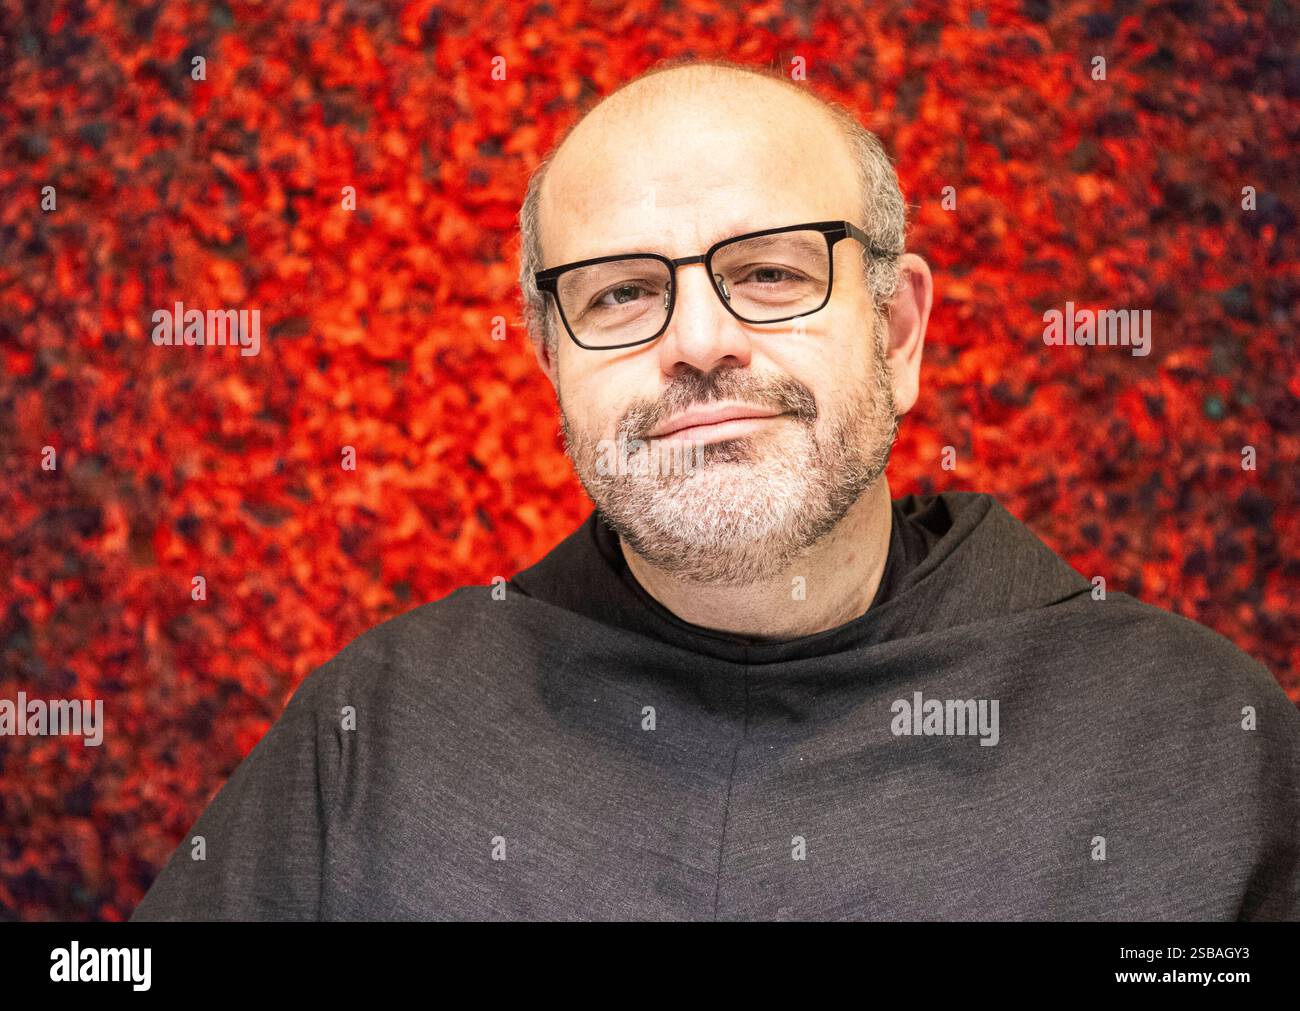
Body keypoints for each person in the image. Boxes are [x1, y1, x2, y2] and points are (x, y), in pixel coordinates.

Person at [131, 58, 1299, 921]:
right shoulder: (375, 732)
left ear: (896, 331)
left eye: (771, 272)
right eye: (621, 294)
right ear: (551, 359)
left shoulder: (1196, 741)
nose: (699, 340)